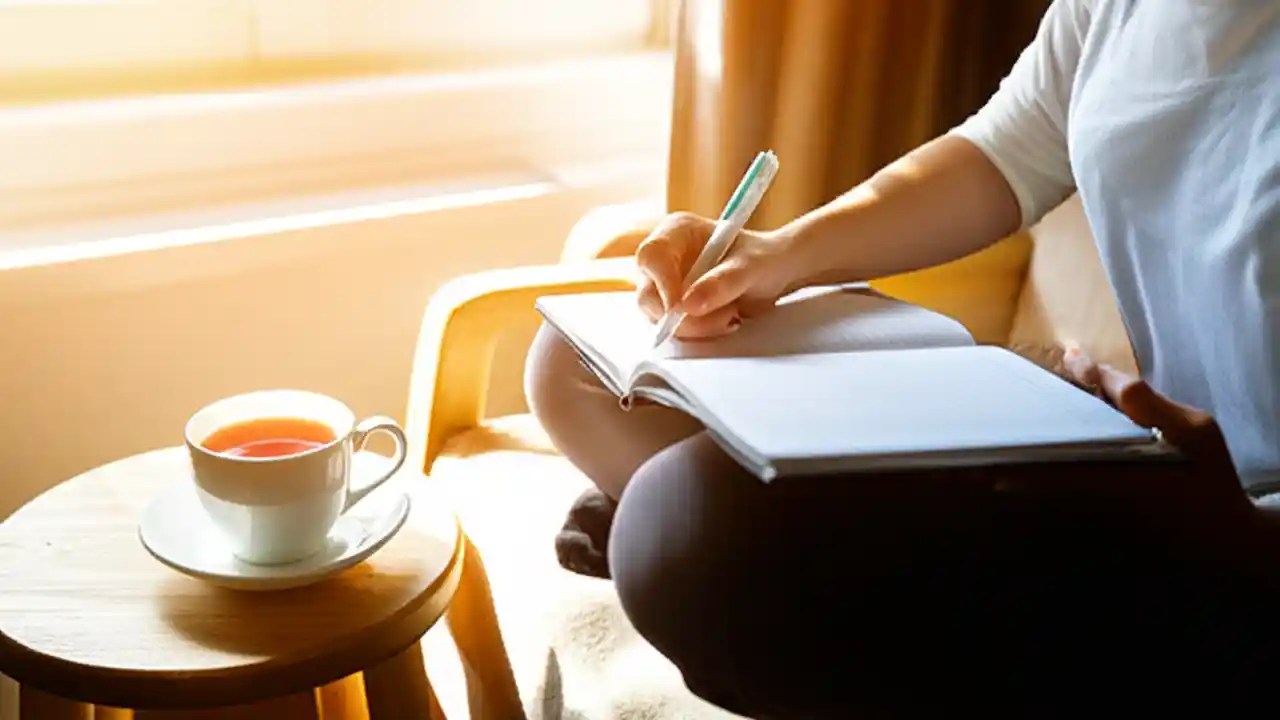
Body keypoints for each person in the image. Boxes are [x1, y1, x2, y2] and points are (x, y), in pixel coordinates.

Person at [526, 0, 1280, 716]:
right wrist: (781, 255)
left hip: (1246, 542)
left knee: (683, 530)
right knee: (575, 363)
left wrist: (1239, 536)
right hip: (1159, 472)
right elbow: (1006, 147)